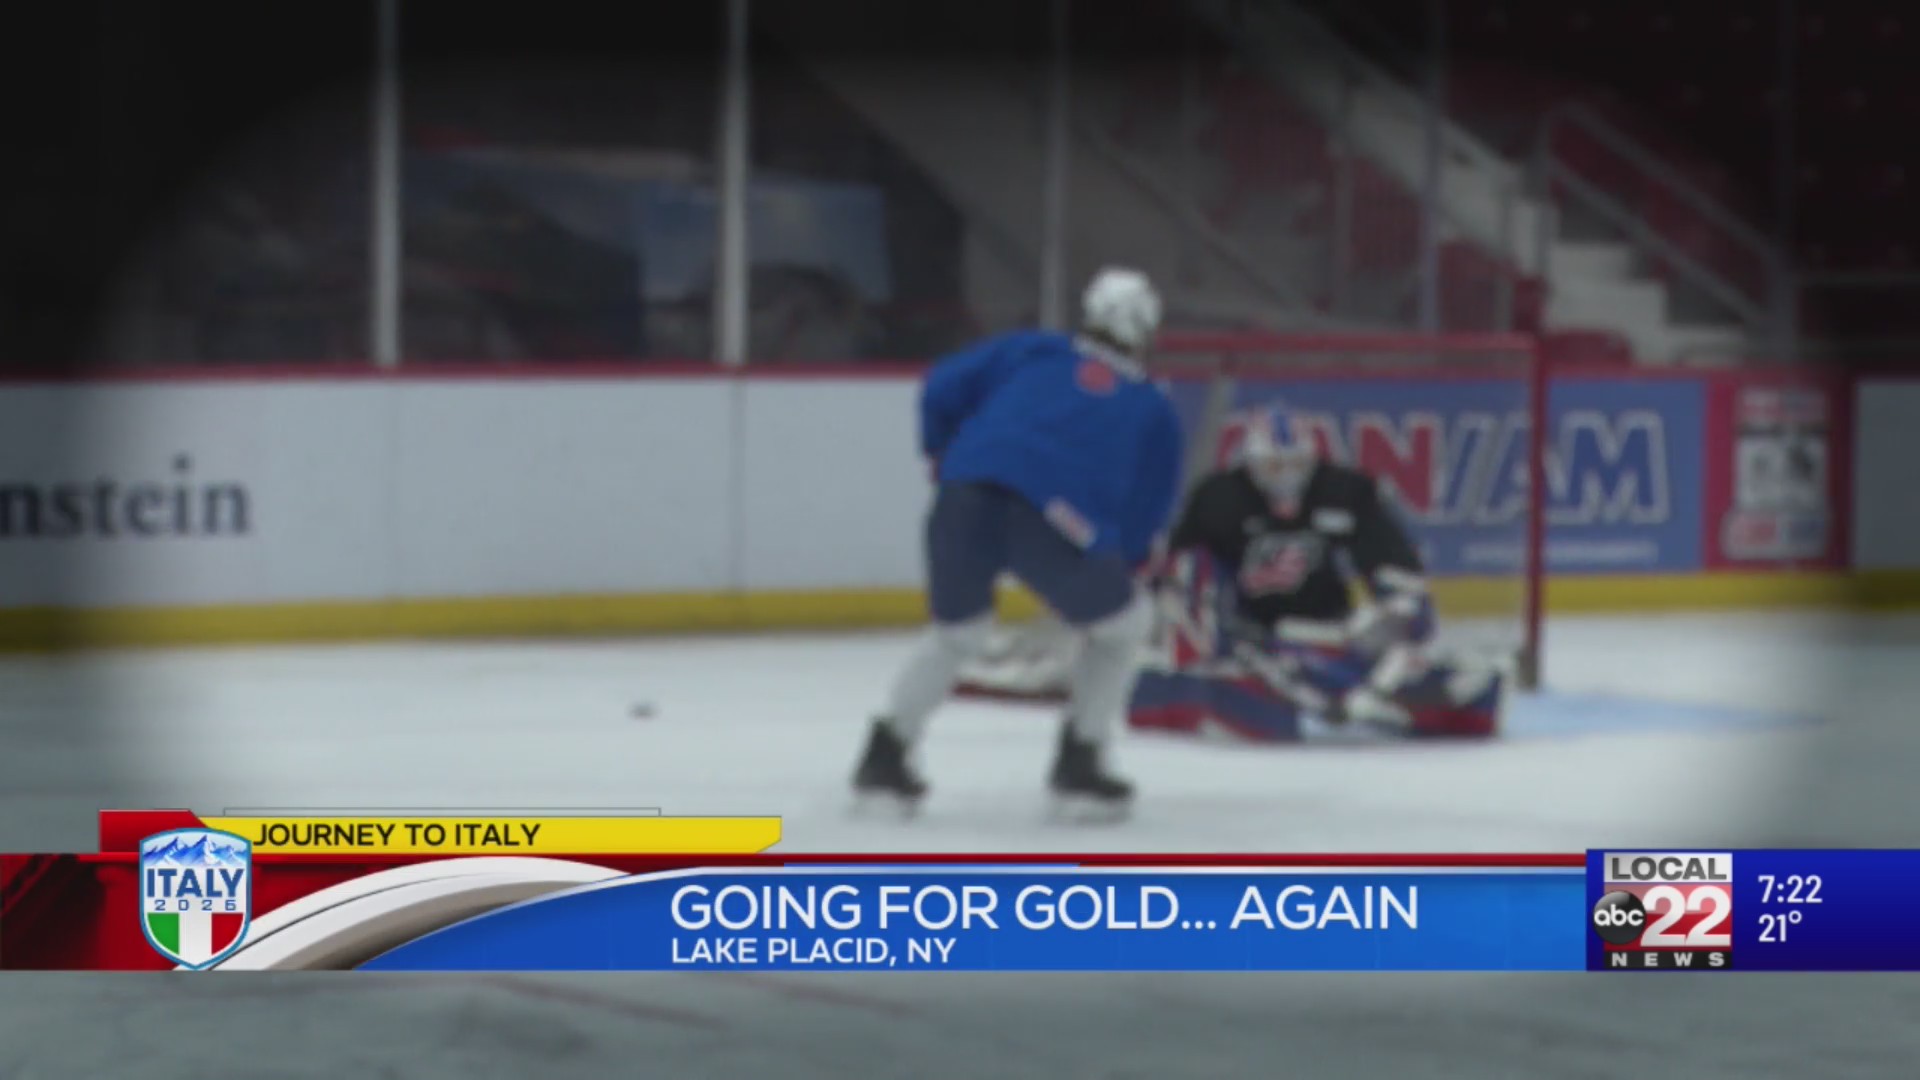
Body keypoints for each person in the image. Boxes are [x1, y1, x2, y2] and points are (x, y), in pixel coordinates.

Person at [852, 267, 1185, 819]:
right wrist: (1119, 564)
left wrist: (942, 452)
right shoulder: (1150, 406)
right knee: (1126, 625)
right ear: (1148, 328)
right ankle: (1081, 760)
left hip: (964, 491)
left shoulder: (1032, 351)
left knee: (957, 633)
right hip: (1053, 518)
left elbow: (941, 385)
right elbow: (1147, 508)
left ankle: (884, 758)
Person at [1130, 401, 1507, 742]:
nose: (1286, 478)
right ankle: (1221, 687)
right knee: (1221, 664)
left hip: (1325, 631)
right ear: (1251, 463)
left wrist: (1396, 615)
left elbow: (1393, 561)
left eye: (1297, 465)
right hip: (1246, 640)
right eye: (1275, 466)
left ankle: (1371, 689)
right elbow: (1181, 576)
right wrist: (1224, 637)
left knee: (1464, 689)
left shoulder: (1344, 491)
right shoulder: (1218, 498)